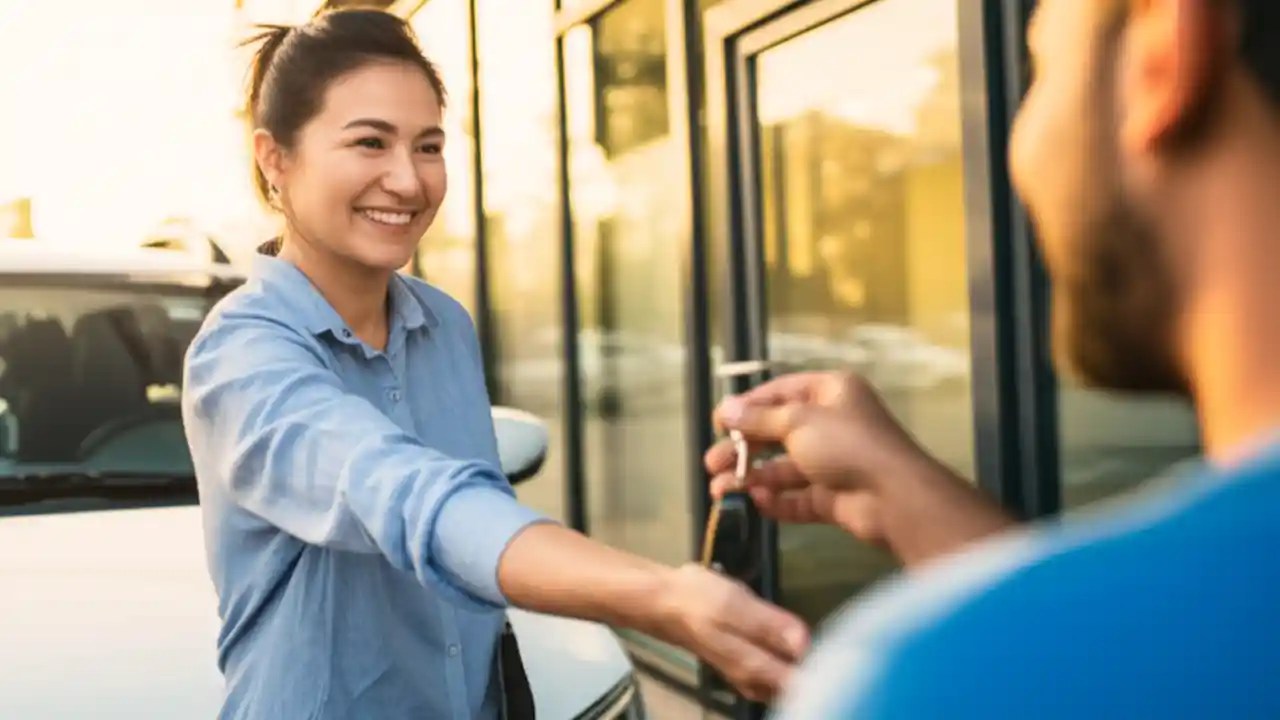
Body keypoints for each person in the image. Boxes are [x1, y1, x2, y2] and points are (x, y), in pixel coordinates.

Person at [181, 10, 807, 719]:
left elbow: (470, 506)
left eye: (428, 146)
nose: (409, 181)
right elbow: (406, 496)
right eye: (368, 143)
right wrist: (663, 598)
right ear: (276, 158)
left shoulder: (444, 324)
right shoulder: (241, 354)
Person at [705, 0, 1280, 716]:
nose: (1021, 152)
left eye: (1042, 64)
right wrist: (905, 495)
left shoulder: (914, 683)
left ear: (1164, 54)